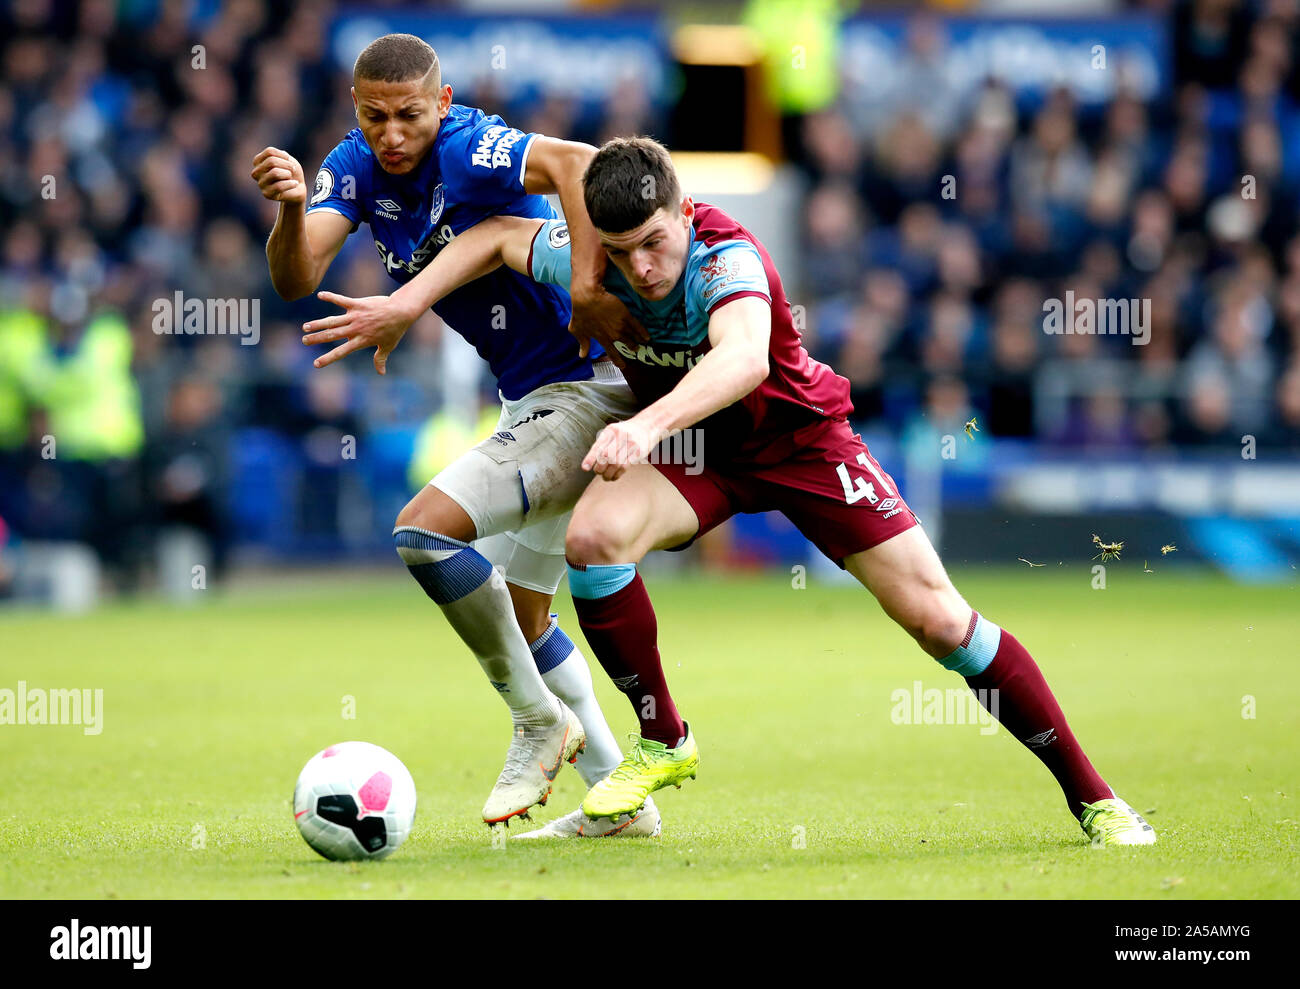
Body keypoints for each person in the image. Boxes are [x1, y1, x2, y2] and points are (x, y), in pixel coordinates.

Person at [306, 136, 1156, 847]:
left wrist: (642, 427)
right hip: (703, 450)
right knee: (594, 542)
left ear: (682, 212)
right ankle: (662, 740)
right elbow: (493, 236)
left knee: (940, 621)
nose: (640, 265)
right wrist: (408, 303)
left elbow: (744, 359)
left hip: (800, 442)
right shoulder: (593, 257)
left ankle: (1094, 797)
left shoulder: (727, 257)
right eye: (620, 248)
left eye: (654, 243)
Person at [253, 33, 660, 837]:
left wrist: (584, 282)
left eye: (409, 115)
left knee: (423, 534)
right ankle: (619, 800)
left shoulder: (472, 146)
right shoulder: (355, 168)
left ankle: (536, 720)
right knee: (525, 609)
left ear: (440, 104)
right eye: (375, 117)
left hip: (582, 388)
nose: (393, 134)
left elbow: (580, 161)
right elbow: (298, 279)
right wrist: (294, 207)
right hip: (532, 397)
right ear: (355, 110)